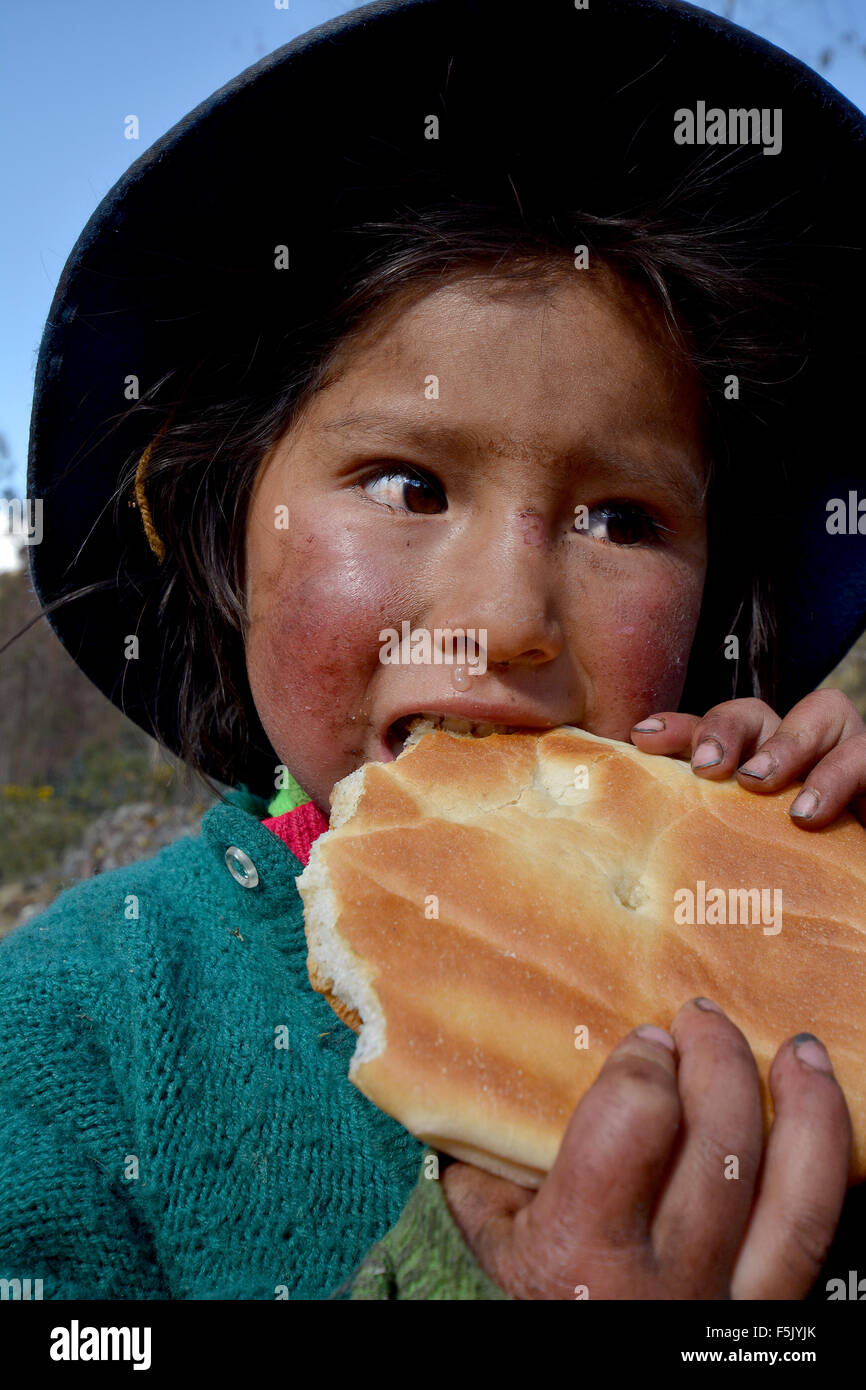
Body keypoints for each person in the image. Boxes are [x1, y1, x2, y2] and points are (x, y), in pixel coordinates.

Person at [3, 0, 865, 1300]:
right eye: (406, 485)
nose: (508, 611)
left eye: (619, 517)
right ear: (228, 539)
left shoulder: (773, 951)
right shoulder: (66, 1034)